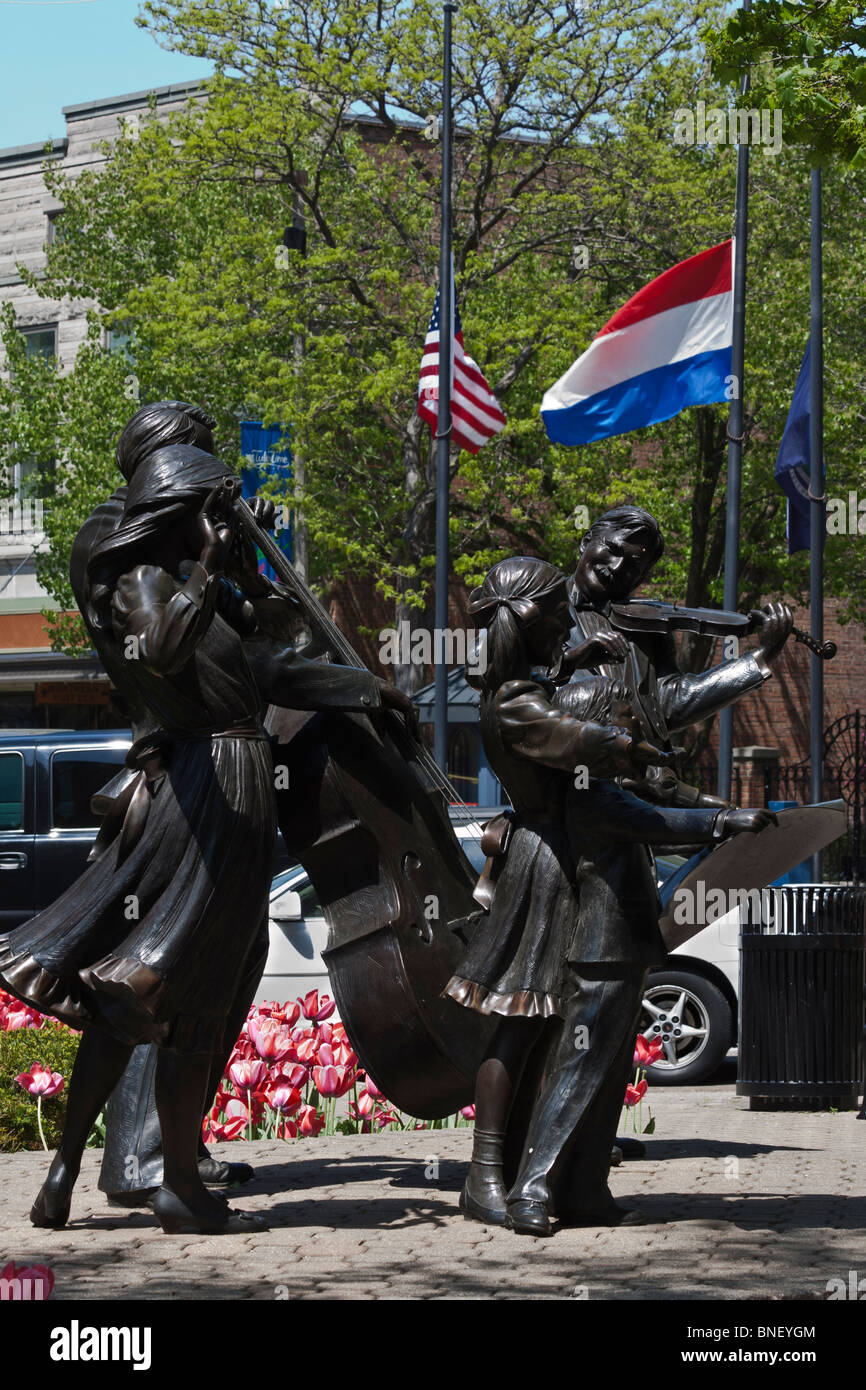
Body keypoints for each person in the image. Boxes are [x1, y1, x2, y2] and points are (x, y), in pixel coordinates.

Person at [0, 403, 402, 1236]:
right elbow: (163, 651)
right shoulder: (137, 572)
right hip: (209, 783)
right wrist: (211, 562)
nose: (223, 506)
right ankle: (173, 1182)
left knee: (137, 997)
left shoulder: (198, 587)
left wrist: (369, 688)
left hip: (224, 777)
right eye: (207, 484)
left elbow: (277, 669)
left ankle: (79, 1168)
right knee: (190, 995)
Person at [442, 556, 672, 1226]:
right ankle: (485, 1176)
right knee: (517, 1024)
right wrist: (635, 749)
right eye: (553, 616)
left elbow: (551, 697)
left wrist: (573, 662)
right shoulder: (515, 702)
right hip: (543, 863)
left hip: (557, 855)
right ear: (528, 618)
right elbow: (569, 736)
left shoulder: (515, 685)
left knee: (542, 1023)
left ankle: (543, 1176)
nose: (562, 627)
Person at [503, 675, 777, 1236]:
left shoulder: (608, 788)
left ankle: (585, 1193)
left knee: (605, 1080)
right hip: (602, 956)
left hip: (622, 953)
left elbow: (660, 807)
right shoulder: (591, 794)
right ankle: (530, 1189)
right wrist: (723, 820)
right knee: (578, 1074)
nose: (633, 730)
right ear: (599, 727)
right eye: (625, 720)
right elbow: (658, 823)